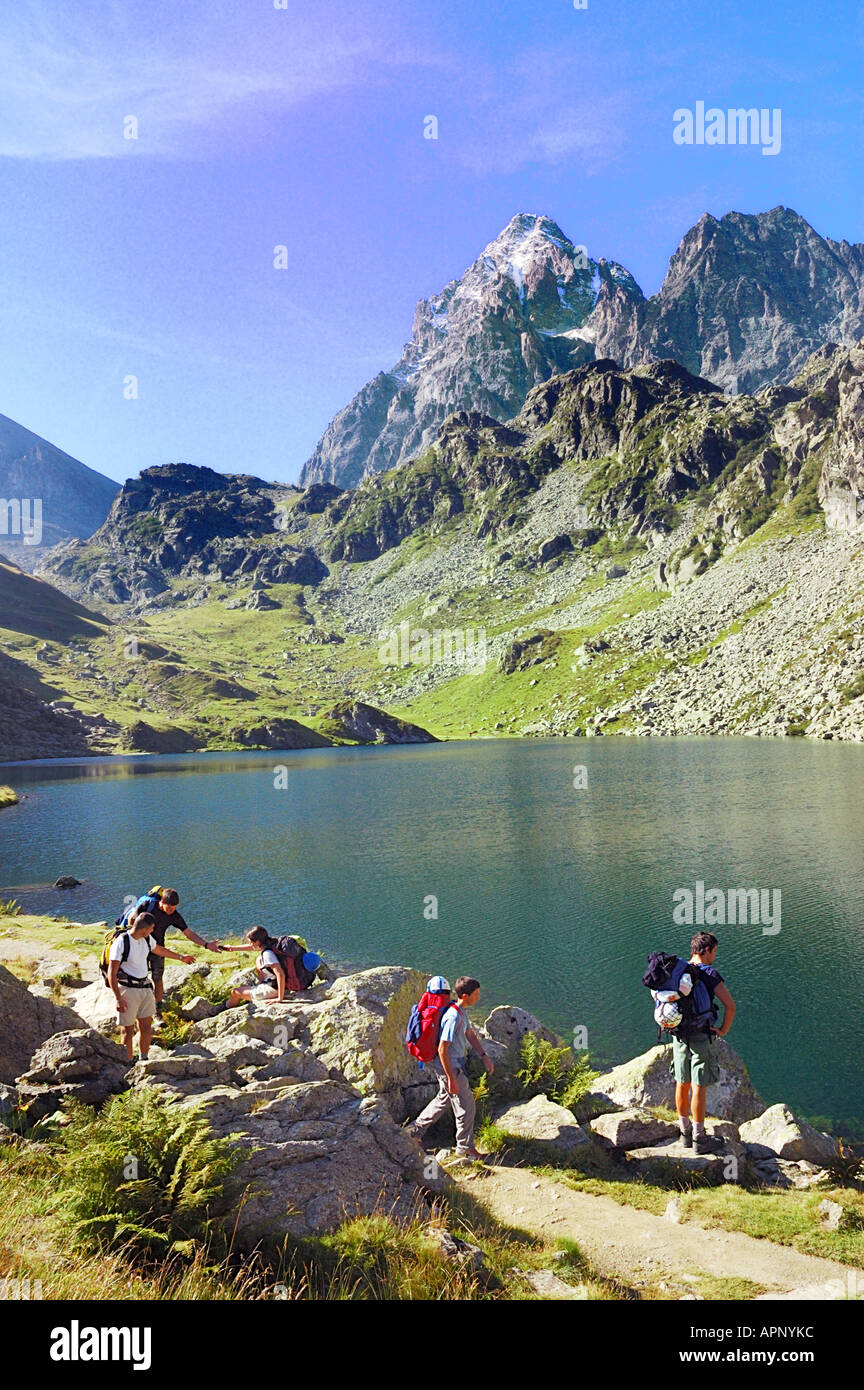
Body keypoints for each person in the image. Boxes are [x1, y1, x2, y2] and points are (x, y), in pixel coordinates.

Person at [407, 975, 494, 1161]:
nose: (479, 997)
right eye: (476, 994)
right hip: (450, 1066)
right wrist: (451, 1078)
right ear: (465, 995)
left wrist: (484, 1056)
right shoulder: (453, 1016)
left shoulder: (461, 1011)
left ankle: (414, 1131)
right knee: (466, 1106)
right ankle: (465, 1148)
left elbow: (470, 1034)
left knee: (444, 1099)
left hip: (452, 1065)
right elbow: (442, 1048)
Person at [673, 931, 736, 1154]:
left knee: (682, 1082)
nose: (714, 956)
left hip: (679, 1034)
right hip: (702, 1034)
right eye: (714, 951)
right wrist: (723, 1030)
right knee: (699, 1086)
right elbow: (730, 1006)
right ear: (706, 950)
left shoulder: (677, 970)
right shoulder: (709, 973)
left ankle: (684, 1134)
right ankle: (700, 1138)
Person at [108, 911, 194, 1063]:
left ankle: (143, 1059)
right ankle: (126, 1063)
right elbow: (112, 973)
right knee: (127, 1030)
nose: (153, 931)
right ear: (143, 928)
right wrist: (118, 998)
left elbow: (159, 950)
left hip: (145, 987)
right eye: (152, 928)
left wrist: (181, 958)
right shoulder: (122, 942)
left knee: (146, 1026)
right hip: (128, 989)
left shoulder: (146, 938)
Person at [133, 888, 224, 1023]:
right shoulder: (148, 907)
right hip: (140, 947)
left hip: (159, 948)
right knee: (140, 978)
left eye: (174, 908)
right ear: (162, 902)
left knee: (158, 979)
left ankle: (157, 1012)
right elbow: (131, 920)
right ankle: (139, 1010)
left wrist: (206, 944)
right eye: (169, 908)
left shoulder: (174, 915)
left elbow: (188, 933)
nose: (171, 911)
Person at [225, 927, 289, 1006]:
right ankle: (259, 987)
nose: (250, 944)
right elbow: (252, 947)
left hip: (274, 989)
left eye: (251, 942)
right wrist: (232, 948)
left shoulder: (267, 954)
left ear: (258, 942)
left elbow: (280, 974)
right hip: (281, 983)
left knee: (235, 992)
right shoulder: (272, 943)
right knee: (259, 959)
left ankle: (225, 1007)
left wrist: (280, 998)